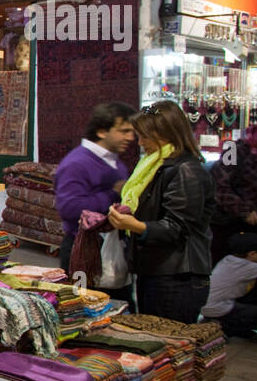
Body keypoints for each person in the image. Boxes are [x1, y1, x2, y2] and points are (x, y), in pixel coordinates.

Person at [107, 100, 214, 324]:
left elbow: (177, 227)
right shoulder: (156, 166)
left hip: (177, 277)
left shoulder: (186, 170)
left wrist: (132, 225)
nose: (141, 142)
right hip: (158, 270)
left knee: (169, 344)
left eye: (145, 136)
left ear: (166, 134)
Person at [54, 102, 136, 301]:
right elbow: (69, 208)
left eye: (132, 132)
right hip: (83, 253)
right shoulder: (77, 163)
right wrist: (113, 195)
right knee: (83, 309)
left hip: (109, 249)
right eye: (123, 131)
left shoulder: (113, 160)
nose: (130, 138)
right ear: (101, 131)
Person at [210, 119, 257, 262]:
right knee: (227, 260)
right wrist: (244, 209)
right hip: (228, 220)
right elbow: (218, 185)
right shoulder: (234, 151)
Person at [201, 233, 257, 338]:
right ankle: (222, 329)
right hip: (218, 308)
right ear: (252, 254)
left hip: (206, 306)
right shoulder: (247, 267)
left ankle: (211, 320)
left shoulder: (228, 259)